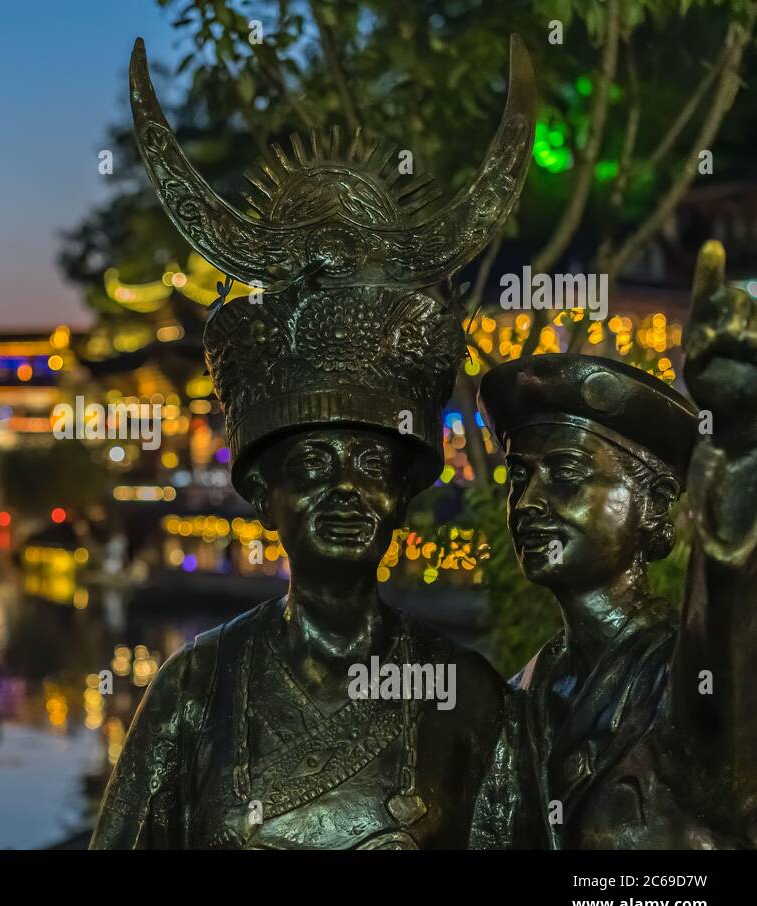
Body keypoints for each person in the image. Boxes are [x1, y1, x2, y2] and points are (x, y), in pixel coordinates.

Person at [89, 35, 535, 849]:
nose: (344, 490)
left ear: (404, 486)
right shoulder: (194, 689)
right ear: (265, 495)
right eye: (311, 464)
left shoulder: (472, 701)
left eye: (370, 462)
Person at [475, 241, 757, 847]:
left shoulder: (686, 684)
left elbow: (729, 598)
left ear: (653, 506)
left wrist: (737, 444)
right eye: (518, 477)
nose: (528, 503)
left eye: (568, 476)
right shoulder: (519, 700)